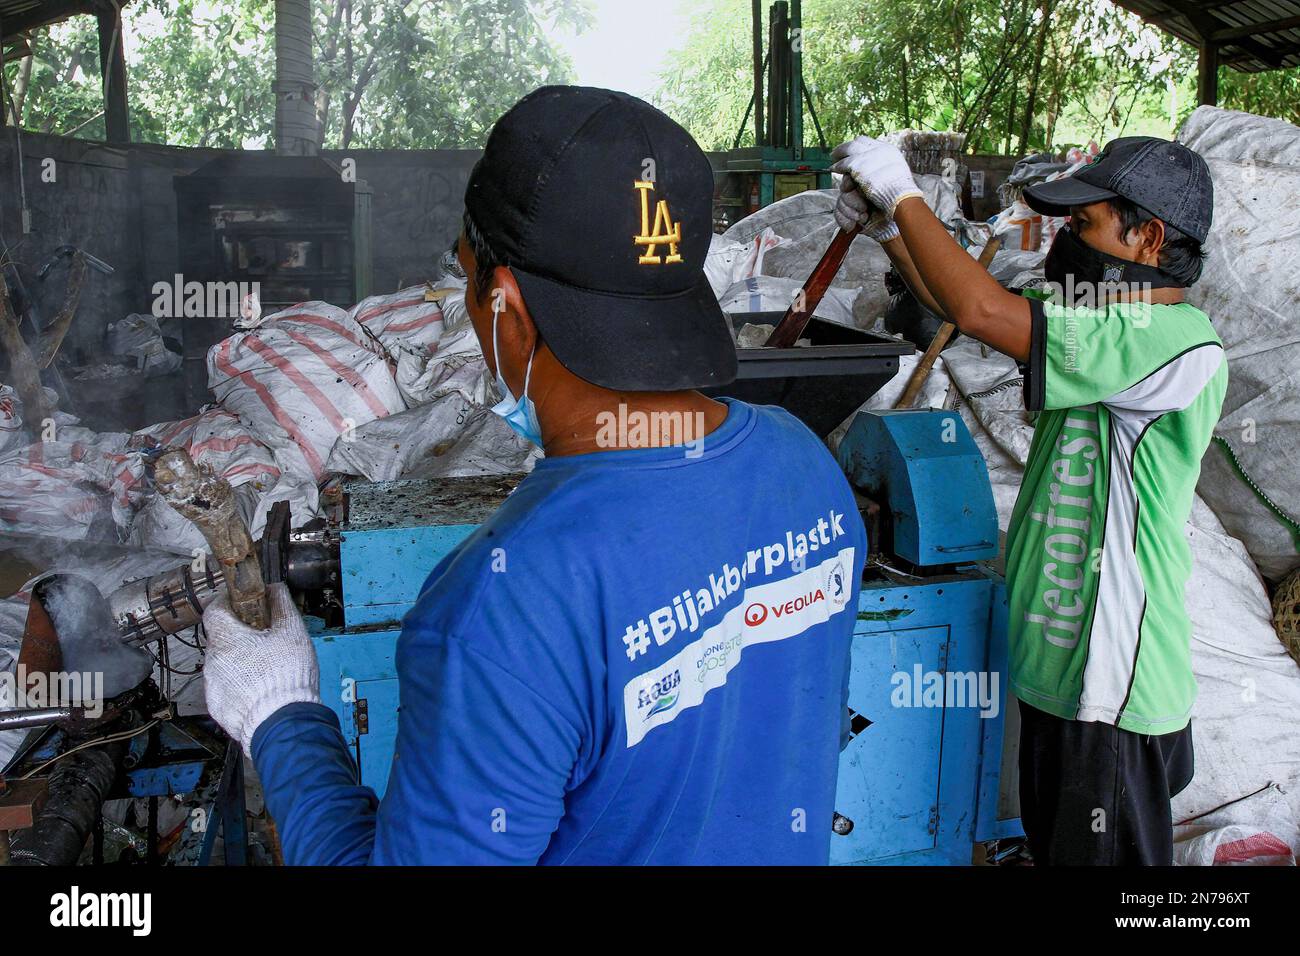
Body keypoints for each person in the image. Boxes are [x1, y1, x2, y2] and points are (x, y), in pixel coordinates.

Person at [198, 86, 866, 865]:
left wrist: (282, 718)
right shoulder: (805, 462)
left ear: (502, 301)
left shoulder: (497, 611)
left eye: (467, 274)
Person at [831, 134, 1225, 865]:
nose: (1069, 240)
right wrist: (889, 229)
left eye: (1086, 224)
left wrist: (901, 187)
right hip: (1063, 667)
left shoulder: (1171, 340)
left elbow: (982, 311)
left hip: (1109, 686)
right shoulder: (1102, 319)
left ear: (1149, 238)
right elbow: (952, 299)